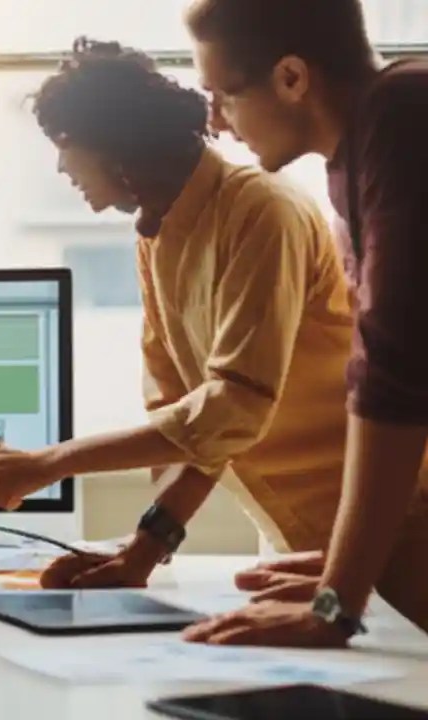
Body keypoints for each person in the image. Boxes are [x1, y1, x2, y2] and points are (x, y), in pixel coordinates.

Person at [0, 38, 362, 615]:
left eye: (65, 145)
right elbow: (195, 423)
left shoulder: (264, 212)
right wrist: (141, 551)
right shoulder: (157, 235)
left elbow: (231, 409)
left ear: (118, 148)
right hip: (299, 538)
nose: (61, 166)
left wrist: (51, 462)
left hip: (383, 530)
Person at [179, 0, 428, 647]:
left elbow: (395, 372)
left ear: (292, 78)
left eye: (221, 95)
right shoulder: (358, 152)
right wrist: (350, 571)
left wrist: (337, 601)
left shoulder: (404, 118)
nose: (214, 122)